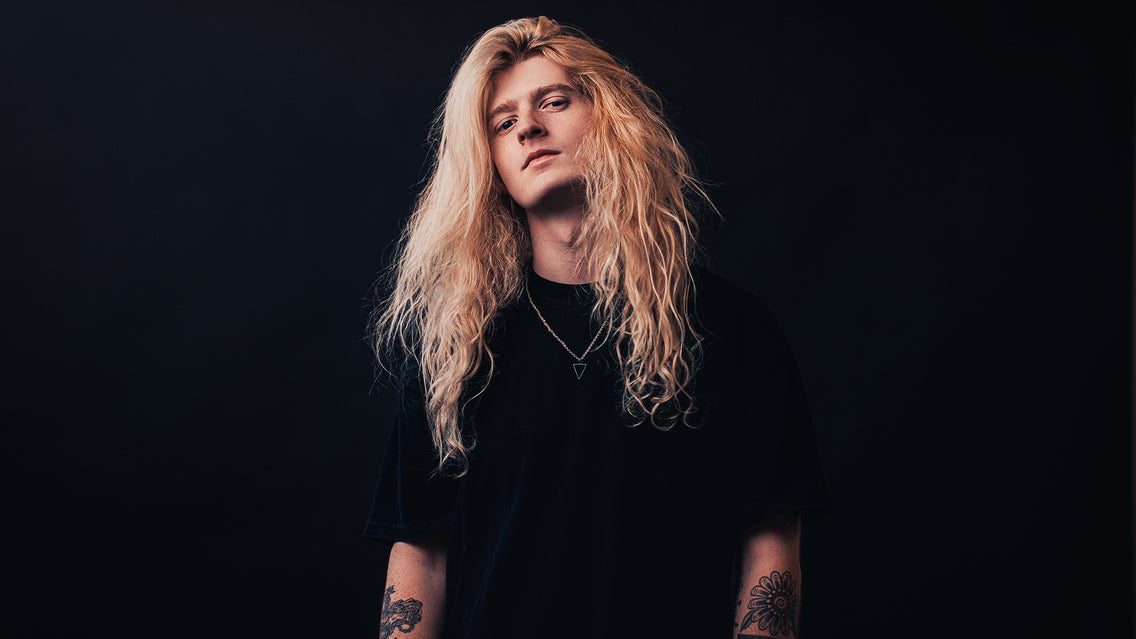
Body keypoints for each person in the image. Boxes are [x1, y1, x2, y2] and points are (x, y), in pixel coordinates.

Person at [363, 16, 835, 639]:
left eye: (554, 101)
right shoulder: (455, 348)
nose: (528, 126)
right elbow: (420, 553)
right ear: (490, 163)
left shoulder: (732, 326)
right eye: (502, 123)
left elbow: (770, 539)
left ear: (611, 120)